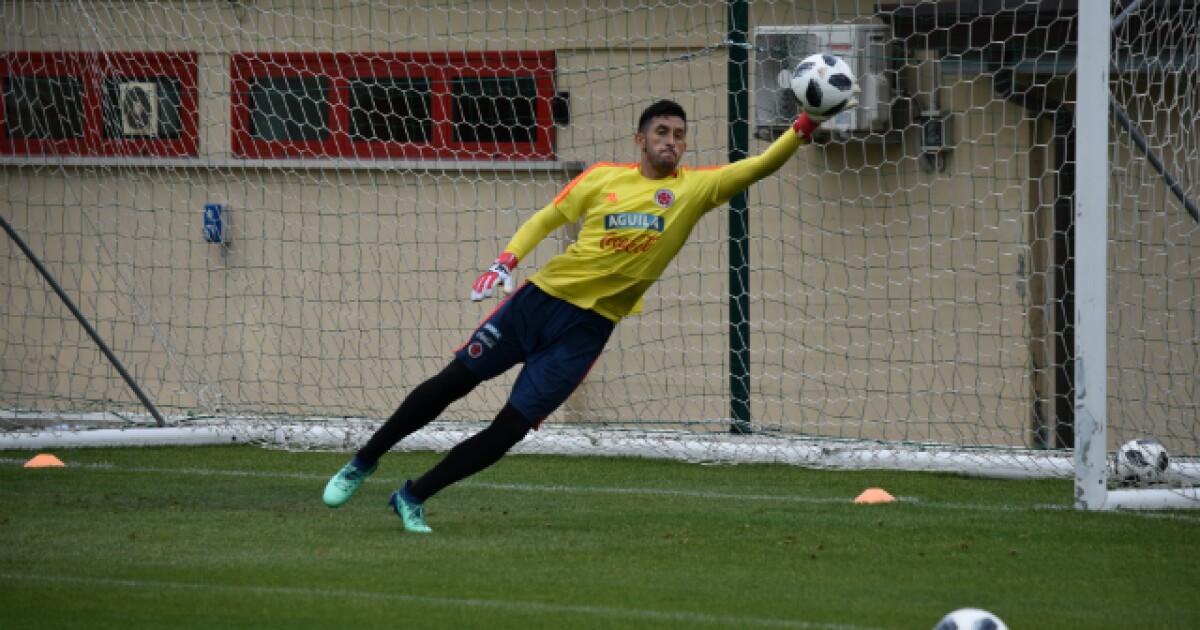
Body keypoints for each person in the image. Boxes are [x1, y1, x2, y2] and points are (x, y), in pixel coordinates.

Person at [322, 96, 851, 533]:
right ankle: (364, 459)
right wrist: (506, 260)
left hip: (586, 330)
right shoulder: (602, 178)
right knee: (452, 382)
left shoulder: (695, 189)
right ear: (641, 140)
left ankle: (413, 495)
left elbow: (760, 166)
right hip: (538, 302)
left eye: (680, 134)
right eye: (662, 131)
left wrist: (804, 124)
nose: (672, 141)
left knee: (509, 429)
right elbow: (549, 215)